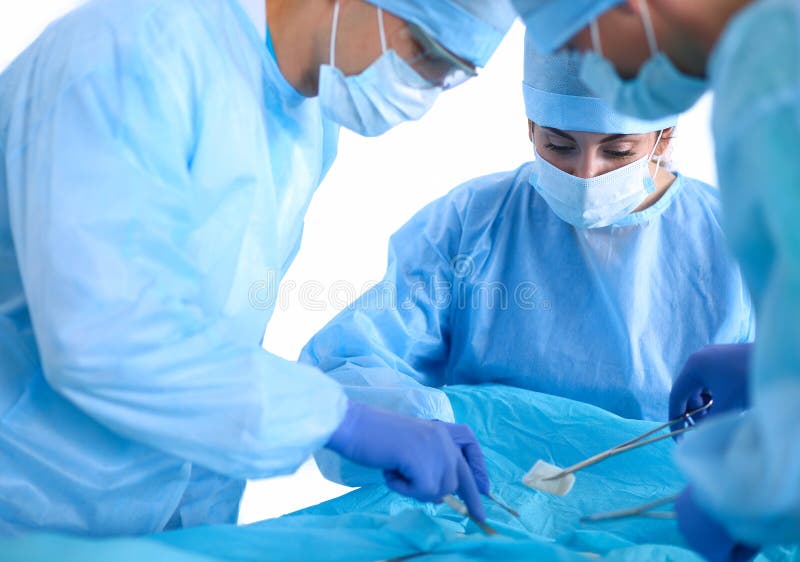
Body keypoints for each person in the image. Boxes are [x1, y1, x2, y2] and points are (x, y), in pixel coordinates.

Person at [0, 0, 517, 536]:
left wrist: (199, 529)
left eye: (455, 75)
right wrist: (338, 420)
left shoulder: (302, 116)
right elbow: (107, 337)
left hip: (138, 512)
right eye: (429, 54)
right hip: (22, 499)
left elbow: (215, 338)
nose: (426, 92)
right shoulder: (132, 57)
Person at [300, 31, 754, 488]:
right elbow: (347, 368)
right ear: (531, 128)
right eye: (560, 146)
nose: (586, 173)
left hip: (673, 514)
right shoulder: (470, 223)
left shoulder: (742, 245)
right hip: (481, 503)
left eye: (618, 151)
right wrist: (415, 423)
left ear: (664, 136)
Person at [513, 0, 800, 559]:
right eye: (559, 143)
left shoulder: (776, 80)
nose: (587, 70)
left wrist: (772, 482)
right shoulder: (766, 62)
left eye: (585, 51)